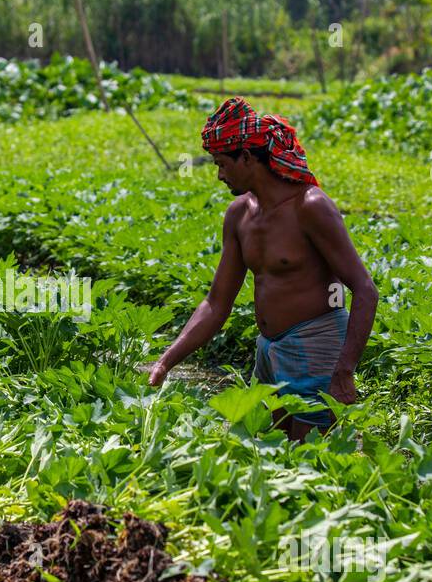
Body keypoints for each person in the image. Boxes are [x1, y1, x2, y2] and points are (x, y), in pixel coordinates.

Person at [147, 98, 378, 440]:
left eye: (223, 164)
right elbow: (216, 303)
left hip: (318, 347)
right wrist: (167, 361)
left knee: (310, 459)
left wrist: (343, 371)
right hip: (269, 351)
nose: (220, 175)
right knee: (268, 454)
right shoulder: (239, 215)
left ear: (247, 157)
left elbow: (364, 290)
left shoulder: (310, 207)